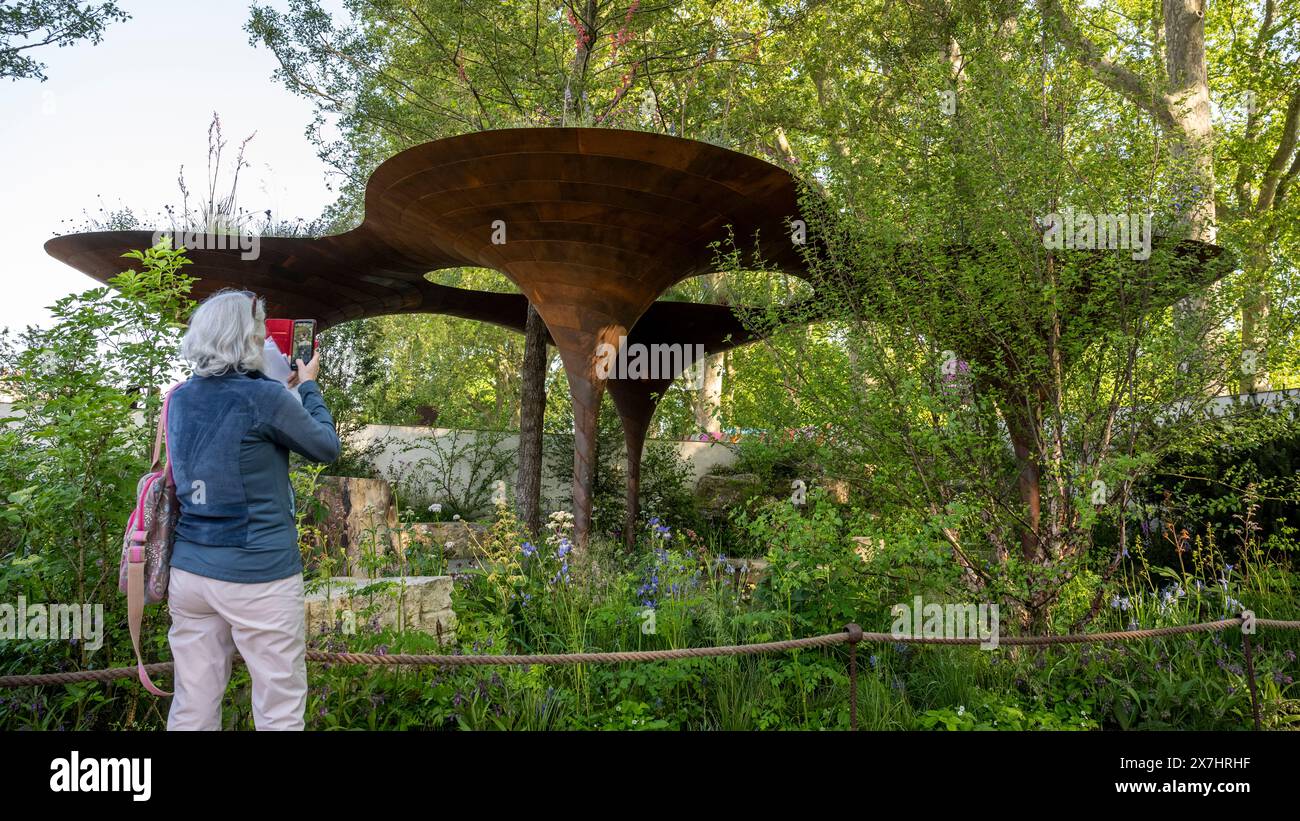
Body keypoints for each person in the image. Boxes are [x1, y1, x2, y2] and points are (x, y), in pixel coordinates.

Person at [164, 288, 340, 730]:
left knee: (193, 703)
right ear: (246, 338)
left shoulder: (180, 398)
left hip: (189, 575)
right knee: (278, 708)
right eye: (260, 332)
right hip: (258, 574)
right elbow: (325, 448)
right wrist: (309, 387)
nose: (266, 339)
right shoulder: (266, 397)